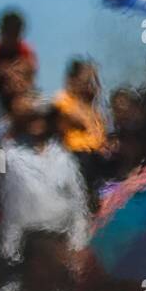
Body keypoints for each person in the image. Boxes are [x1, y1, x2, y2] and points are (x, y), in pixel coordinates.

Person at [0, 94, 90, 266]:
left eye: (41, 116)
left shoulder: (65, 157)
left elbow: (78, 201)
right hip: (22, 248)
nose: (36, 121)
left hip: (60, 244)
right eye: (31, 117)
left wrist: (78, 243)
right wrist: (13, 116)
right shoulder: (8, 155)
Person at [53, 58, 107, 193]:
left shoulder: (93, 107)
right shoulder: (63, 99)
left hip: (96, 157)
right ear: (73, 79)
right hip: (76, 156)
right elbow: (81, 122)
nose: (90, 83)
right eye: (87, 78)